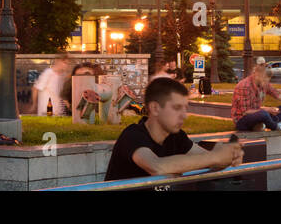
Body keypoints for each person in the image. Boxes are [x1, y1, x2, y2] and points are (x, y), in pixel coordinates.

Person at [104, 77, 244, 183]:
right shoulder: (132, 135)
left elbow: (206, 159)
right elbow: (157, 167)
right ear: (155, 108)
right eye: (177, 108)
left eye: (185, 108)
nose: (184, 115)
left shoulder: (176, 136)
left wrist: (229, 156)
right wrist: (214, 157)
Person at [231, 62, 281, 132]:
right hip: (242, 120)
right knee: (263, 114)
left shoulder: (265, 84)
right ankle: (276, 126)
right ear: (257, 75)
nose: (266, 83)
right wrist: (267, 110)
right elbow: (246, 112)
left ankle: (262, 125)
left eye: (267, 81)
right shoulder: (245, 86)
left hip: (258, 115)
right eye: (264, 80)